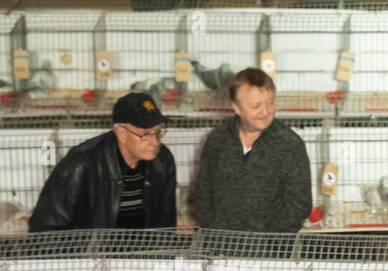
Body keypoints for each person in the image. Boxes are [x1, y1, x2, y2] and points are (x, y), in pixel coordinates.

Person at [29, 92, 176, 232]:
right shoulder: (80, 165)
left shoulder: (163, 160)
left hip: (143, 256)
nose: (155, 142)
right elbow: (45, 229)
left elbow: (166, 224)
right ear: (122, 133)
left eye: (158, 132)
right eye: (145, 134)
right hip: (91, 256)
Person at [192, 67, 312, 232]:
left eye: (270, 102)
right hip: (220, 247)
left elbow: (299, 203)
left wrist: (268, 243)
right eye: (256, 105)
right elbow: (202, 194)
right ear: (237, 108)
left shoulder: (290, 144)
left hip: (271, 252)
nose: (265, 111)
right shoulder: (217, 141)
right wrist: (215, 232)